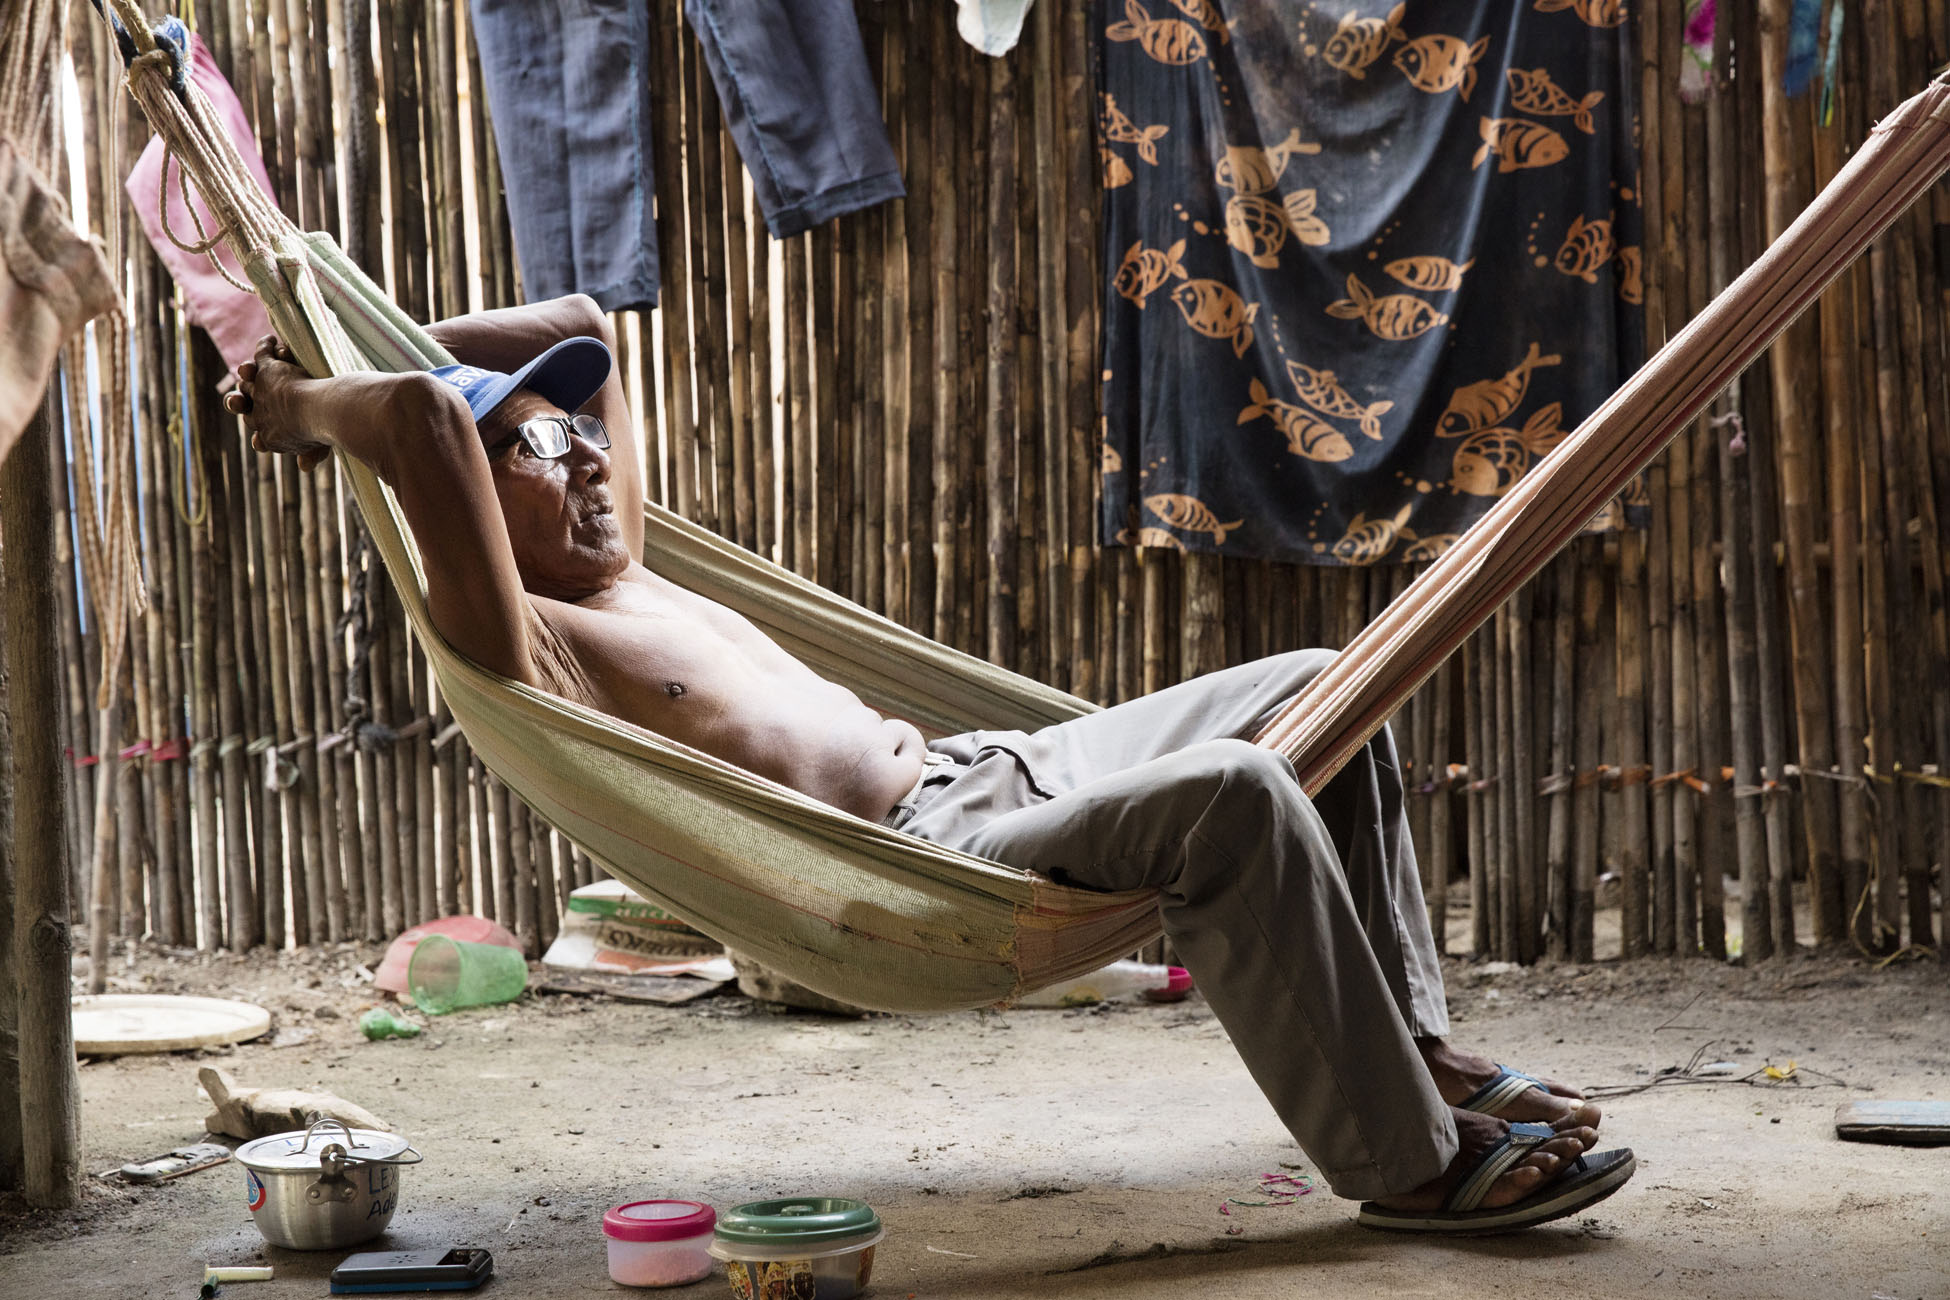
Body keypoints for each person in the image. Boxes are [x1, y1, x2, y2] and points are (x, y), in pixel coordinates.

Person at [230, 294, 1634, 1233]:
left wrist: (340, 302)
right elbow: (416, 420)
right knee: (1240, 796)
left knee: (1322, 691)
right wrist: (302, 404)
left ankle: (1420, 1053)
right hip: (925, 863)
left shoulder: (631, 562)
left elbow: (583, 321)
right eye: (539, 445)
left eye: (586, 431)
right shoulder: (517, 633)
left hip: (995, 764)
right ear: (469, 493)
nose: (590, 460)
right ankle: (1407, 1166)